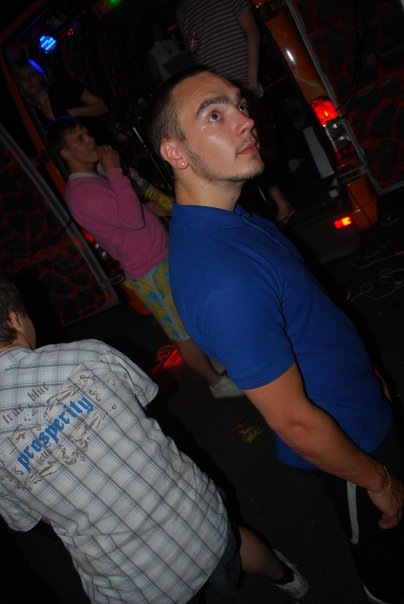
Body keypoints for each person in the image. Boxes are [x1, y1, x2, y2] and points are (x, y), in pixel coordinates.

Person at [147, 66, 404, 604]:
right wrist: (377, 481)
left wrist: (369, 373)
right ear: (176, 153)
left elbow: (311, 318)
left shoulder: (233, 216)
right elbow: (293, 421)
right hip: (346, 441)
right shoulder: (222, 279)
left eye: (239, 105)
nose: (245, 120)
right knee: (387, 559)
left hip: (358, 402)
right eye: (214, 114)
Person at [0, 276, 309, 602]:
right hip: (201, 518)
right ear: (14, 318)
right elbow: (142, 407)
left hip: (134, 586)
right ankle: (288, 578)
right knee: (233, 541)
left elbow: (35, 517)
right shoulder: (88, 353)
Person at [45, 115, 242, 399]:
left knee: (194, 316)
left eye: (87, 133)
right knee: (182, 333)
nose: (90, 140)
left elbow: (121, 215)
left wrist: (150, 209)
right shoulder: (82, 192)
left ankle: (214, 360)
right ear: (66, 153)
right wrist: (115, 172)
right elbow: (130, 219)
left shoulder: (92, 179)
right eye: (80, 139)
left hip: (160, 257)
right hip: (149, 270)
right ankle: (216, 384)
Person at [176, 0, 296, 223]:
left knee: (259, 145)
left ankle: (281, 203)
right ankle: (271, 209)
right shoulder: (184, 9)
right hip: (214, 94)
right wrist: (191, 50)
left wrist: (252, 79)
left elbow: (252, 31)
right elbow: (196, 58)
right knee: (239, 152)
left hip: (242, 86)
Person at [12, 57, 113, 145]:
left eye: (31, 74)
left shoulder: (63, 88)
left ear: (39, 75)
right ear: (19, 84)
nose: (28, 80)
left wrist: (74, 112)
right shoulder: (33, 115)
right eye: (22, 78)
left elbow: (102, 107)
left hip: (101, 145)